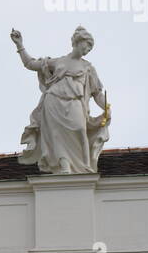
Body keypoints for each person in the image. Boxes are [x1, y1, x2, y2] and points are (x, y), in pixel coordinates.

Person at [11, 25, 110, 174]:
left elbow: (97, 93)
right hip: (54, 101)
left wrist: (106, 107)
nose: (88, 49)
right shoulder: (58, 62)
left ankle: (84, 166)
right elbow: (30, 64)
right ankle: (64, 166)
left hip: (75, 102)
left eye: (90, 48)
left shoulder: (88, 68)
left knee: (80, 129)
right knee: (56, 135)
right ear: (78, 41)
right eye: (87, 45)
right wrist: (20, 45)